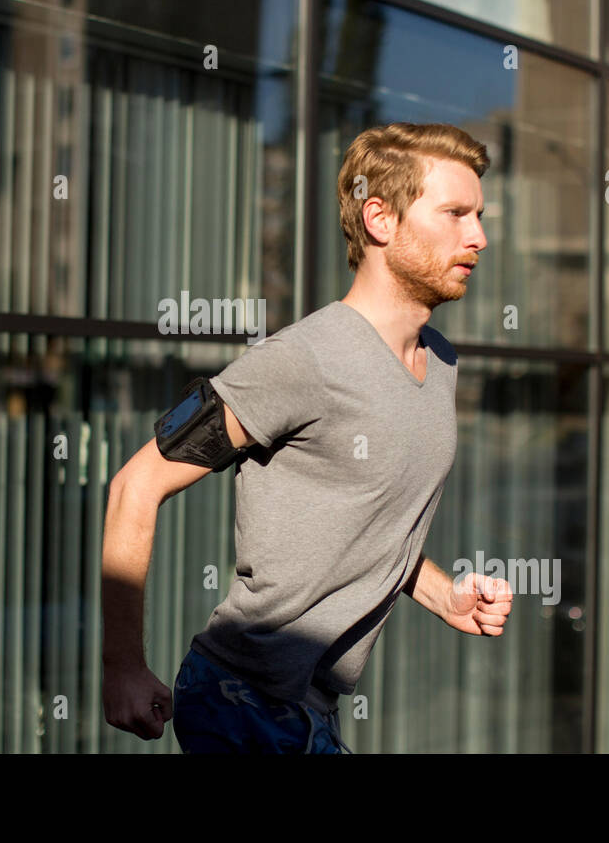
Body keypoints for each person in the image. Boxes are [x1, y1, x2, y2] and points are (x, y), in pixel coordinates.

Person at [101, 122, 513, 753]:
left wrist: (442, 594)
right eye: (455, 213)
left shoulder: (440, 362)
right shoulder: (304, 360)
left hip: (312, 707)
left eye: (478, 215)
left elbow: (368, 525)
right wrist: (123, 668)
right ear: (379, 218)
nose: (478, 236)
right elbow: (135, 485)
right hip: (241, 700)